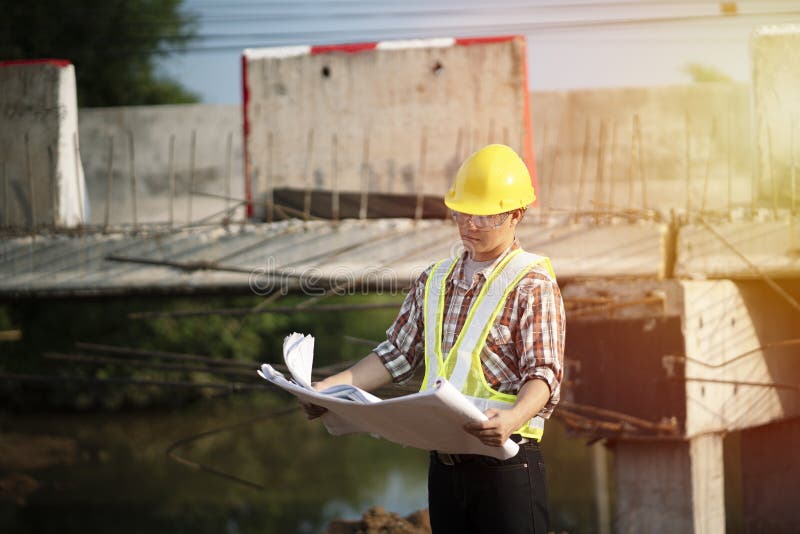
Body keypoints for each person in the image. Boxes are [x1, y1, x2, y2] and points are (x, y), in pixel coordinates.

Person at [304, 144, 565, 534]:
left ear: (515, 214)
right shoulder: (434, 280)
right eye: (461, 211)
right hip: (444, 468)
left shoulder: (532, 284)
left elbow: (544, 374)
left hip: (507, 466)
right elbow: (397, 355)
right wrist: (327, 390)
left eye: (483, 214)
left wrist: (511, 419)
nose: (469, 223)